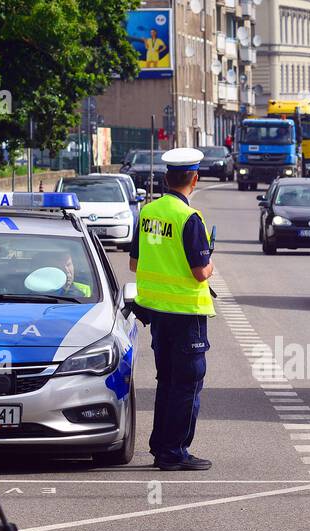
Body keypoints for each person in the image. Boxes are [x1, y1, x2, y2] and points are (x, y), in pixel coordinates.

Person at [128, 147, 214, 471]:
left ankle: (160, 446)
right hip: (186, 314)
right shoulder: (189, 218)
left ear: (166, 179)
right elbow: (200, 271)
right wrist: (211, 262)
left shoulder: (148, 213)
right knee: (188, 382)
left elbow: (134, 262)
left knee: (167, 380)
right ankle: (174, 452)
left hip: (156, 312)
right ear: (195, 178)